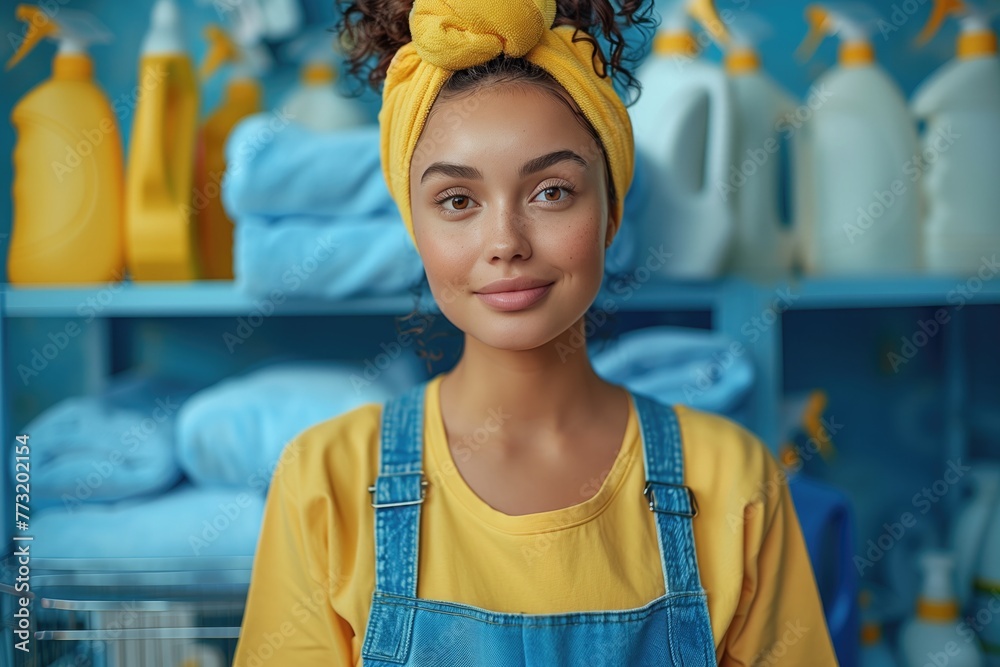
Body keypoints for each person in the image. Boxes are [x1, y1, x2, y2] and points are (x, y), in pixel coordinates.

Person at [233, 0, 840, 664]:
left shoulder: (734, 481)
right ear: (416, 229)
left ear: (610, 214)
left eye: (551, 191)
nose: (506, 243)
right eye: (457, 201)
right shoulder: (326, 481)